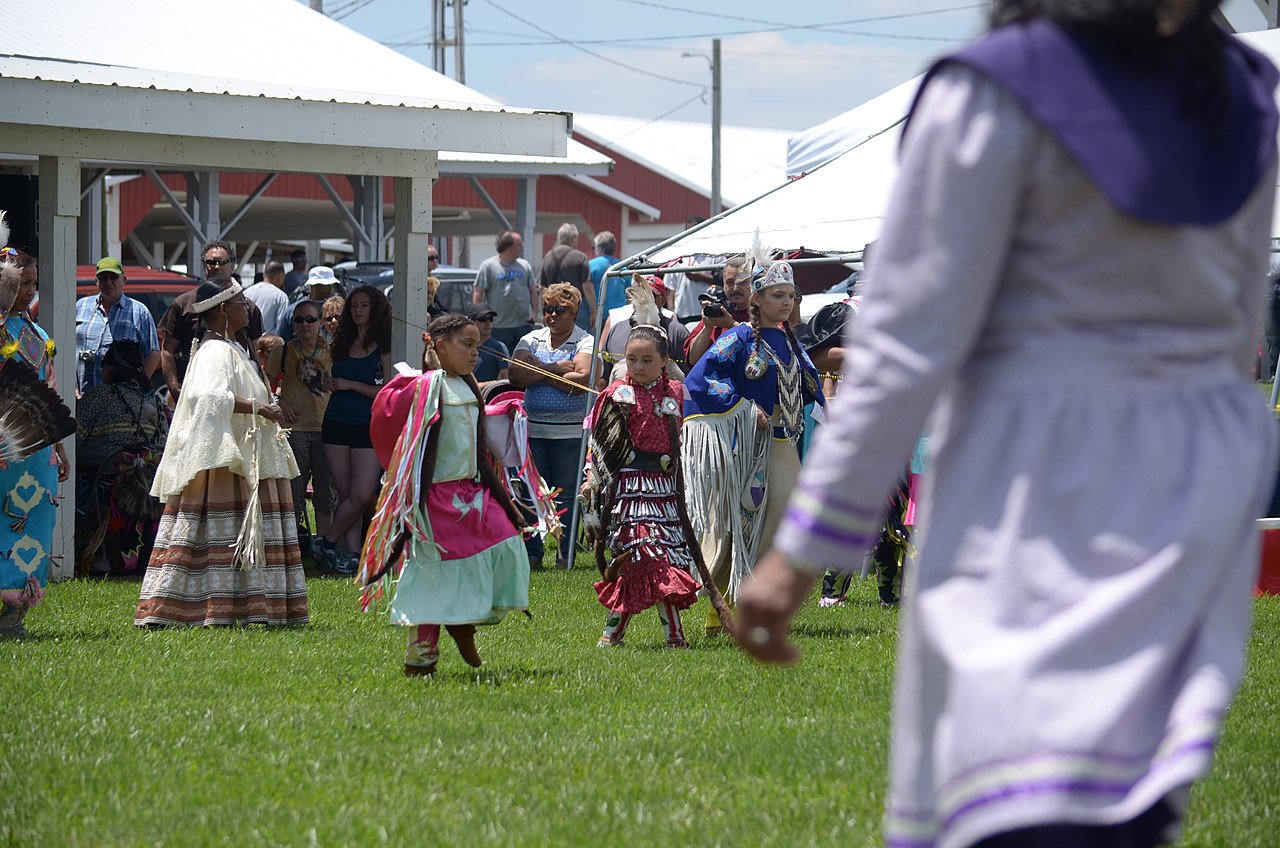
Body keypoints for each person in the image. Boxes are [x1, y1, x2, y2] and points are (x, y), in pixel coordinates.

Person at [735, 4, 1279, 848]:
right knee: (1129, 794)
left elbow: (906, 346)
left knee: (1013, 794)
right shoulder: (1247, 91)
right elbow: (1237, 330)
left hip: (1035, 487)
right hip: (1192, 480)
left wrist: (797, 558)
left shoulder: (993, 93)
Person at [359, 314, 532, 676]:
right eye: (467, 345)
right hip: (435, 499)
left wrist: (509, 505)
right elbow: (419, 450)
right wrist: (410, 509)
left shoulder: (469, 385)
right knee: (433, 578)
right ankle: (420, 660)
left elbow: (481, 454)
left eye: (477, 345)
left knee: (506, 545)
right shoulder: (429, 388)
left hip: (473, 493)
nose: (475, 353)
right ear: (439, 346)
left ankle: (463, 622)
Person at [135, 279, 307, 627]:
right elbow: (209, 399)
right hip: (229, 462)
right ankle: (217, 606)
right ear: (222, 311)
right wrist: (263, 410)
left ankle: (251, 605)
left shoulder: (231, 349)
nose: (248, 307)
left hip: (247, 455)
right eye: (241, 302)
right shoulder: (214, 352)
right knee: (221, 533)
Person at [682, 257, 824, 635]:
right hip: (750, 449)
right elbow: (699, 380)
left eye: (791, 296)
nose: (787, 303)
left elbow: (810, 386)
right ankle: (723, 612)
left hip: (786, 447)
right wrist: (744, 408)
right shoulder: (739, 338)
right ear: (757, 299)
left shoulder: (790, 340)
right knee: (746, 529)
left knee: (787, 528)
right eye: (778, 295)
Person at [581, 324, 701, 648]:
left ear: (664, 360)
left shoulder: (675, 391)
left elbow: (680, 437)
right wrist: (592, 479)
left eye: (647, 360)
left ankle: (612, 634)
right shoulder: (618, 393)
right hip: (631, 488)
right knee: (648, 554)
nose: (638, 367)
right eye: (632, 360)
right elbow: (600, 442)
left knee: (651, 559)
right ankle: (673, 636)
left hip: (664, 488)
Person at [0, 248, 70, 640]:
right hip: (1, 446)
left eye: (31, 283)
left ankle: (12, 615)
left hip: (32, 451)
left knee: (32, 525)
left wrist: (58, 445)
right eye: (19, 283)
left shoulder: (38, 336)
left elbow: (49, 395)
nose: (27, 291)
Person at [508, 283, 595, 568]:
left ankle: (564, 556)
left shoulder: (585, 341)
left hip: (570, 433)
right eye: (547, 309)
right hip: (534, 431)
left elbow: (581, 381)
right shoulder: (530, 338)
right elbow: (515, 376)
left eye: (560, 310)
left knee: (567, 494)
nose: (552, 315)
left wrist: (536, 369)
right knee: (531, 491)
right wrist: (556, 368)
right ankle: (533, 554)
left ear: (575, 312)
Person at [314, 285, 392, 574]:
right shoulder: (341, 342)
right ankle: (353, 556)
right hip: (335, 421)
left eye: (364, 305)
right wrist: (329, 383)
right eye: (354, 306)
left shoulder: (383, 344)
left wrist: (352, 386)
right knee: (346, 495)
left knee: (361, 494)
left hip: (366, 423)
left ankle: (327, 542)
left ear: (376, 309)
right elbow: (335, 378)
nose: (358, 310)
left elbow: (388, 390)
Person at [74, 340, 168, 576]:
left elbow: (72, 439)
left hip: (105, 483)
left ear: (110, 369)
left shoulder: (101, 395)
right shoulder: (154, 401)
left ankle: (83, 550)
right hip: (148, 487)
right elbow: (164, 443)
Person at [158, 240, 264, 404]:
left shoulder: (245, 307)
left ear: (232, 266)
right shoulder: (183, 304)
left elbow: (257, 351)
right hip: (195, 392)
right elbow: (167, 350)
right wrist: (175, 389)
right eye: (211, 262)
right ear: (204, 265)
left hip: (240, 394)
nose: (216, 266)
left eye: (222, 262)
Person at [265, 299, 336, 543]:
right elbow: (264, 384)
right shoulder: (282, 351)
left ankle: (324, 547)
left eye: (310, 320)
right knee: (293, 494)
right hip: (293, 431)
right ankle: (294, 549)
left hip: (327, 430)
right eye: (299, 320)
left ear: (320, 323)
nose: (304, 325)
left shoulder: (333, 351)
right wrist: (280, 402)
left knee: (325, 496)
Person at [74, 257, 160, 394]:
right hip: (82, 397)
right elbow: (66, 348)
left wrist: (134, 388)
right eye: (103, 278)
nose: (108, 282)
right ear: (96, 281)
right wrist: (71, 387)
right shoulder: (80, 306)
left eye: (113, 277)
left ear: (124, 280)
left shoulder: (139, 312)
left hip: (120, 402)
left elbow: (153, 354)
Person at [597, 274, 690, 386]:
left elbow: (688, 375)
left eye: (651, 295)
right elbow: (604, 376)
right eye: (638, 294)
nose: (643, 299)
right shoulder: (617, 329)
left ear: (663, 300)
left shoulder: (677, 331)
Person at [473, 230, 537, 352]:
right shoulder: (488, 266)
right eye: (519, 244)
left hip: (522, 325)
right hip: (498, 326)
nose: (522, 247)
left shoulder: (525, 265)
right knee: (500, 362)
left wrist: (534, 313)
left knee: (523, 361)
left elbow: (533, 291)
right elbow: (478, 293)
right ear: (508, 246)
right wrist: (480, 318)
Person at [683, 254, 752, 368]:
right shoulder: (718, 312)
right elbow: (693, 359)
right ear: (723, 285)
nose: (735, 288)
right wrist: (707, 326)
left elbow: (764, 351)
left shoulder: (763, 312)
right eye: (730, 282)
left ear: (752, 282)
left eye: (742, 282)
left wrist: (732, 325)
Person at [539, 222, 594, 331]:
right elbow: (587, 287)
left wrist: (545, 311)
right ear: (573, 239)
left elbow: (543, 288)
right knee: (582, 342)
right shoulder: (581, 257)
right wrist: (594, 311)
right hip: (577, 307)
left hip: (553, 307)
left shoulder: (547, 257)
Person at [468, 302, 509, 392]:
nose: (488, 323)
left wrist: (483, 385)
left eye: (490, 319)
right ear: (471, 322)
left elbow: (505, 379)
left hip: (486, 396)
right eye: (483, 319)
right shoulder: (463, 346)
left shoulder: (498, 347)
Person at [243, 259, 290, 338]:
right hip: (268, 346)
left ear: (264, 274)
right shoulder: (281, 296)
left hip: (247, 344)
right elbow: (282, 326)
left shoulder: (247, 292)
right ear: (280, 276)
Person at [589, 230, 624, 316]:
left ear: (601, 248)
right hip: (619, 315)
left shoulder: (590, 265)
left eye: (594, 248)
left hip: (599, 314)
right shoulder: (623, 266)